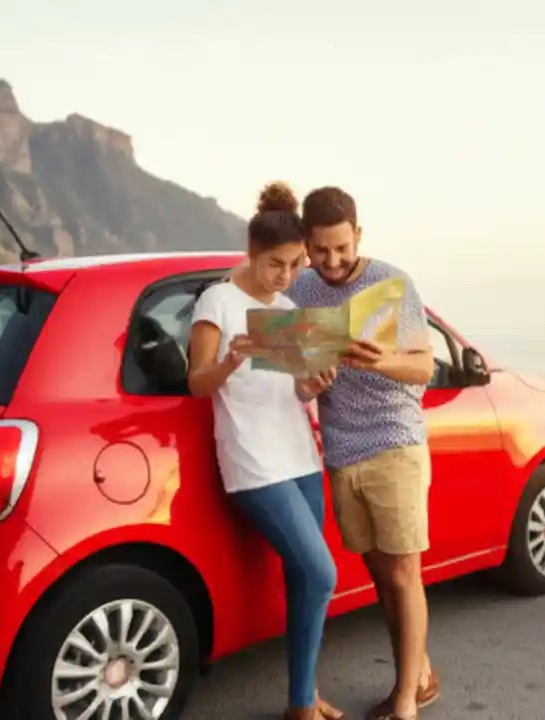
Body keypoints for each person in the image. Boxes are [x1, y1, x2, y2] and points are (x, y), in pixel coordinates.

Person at [187, 181, 344, 720]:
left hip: (299, 454)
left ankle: (303, 699)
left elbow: (296, 389)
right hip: (252, 460)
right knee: (323, 573)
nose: (288, 276)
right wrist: (232, 361)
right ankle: (301, 702)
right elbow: (198, 383)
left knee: (305, 579)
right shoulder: (218, 301)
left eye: (297, 264)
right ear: (251, 254)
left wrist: (315, 382)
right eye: (278, 264)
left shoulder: (288, 307)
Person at [286, 186, 439, 720]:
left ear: (359, 236)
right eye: (320, 251)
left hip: (394, 443)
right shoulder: (301, 287)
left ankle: (405, 699)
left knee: (403, 573)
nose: (331, 262)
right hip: (341, 450)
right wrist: (312, 377)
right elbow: (295, 371)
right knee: (380, 574)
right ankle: (417, 670)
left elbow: (424, 369)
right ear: (306, 243)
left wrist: (382, 361)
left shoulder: (392, 284)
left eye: (341, 249)